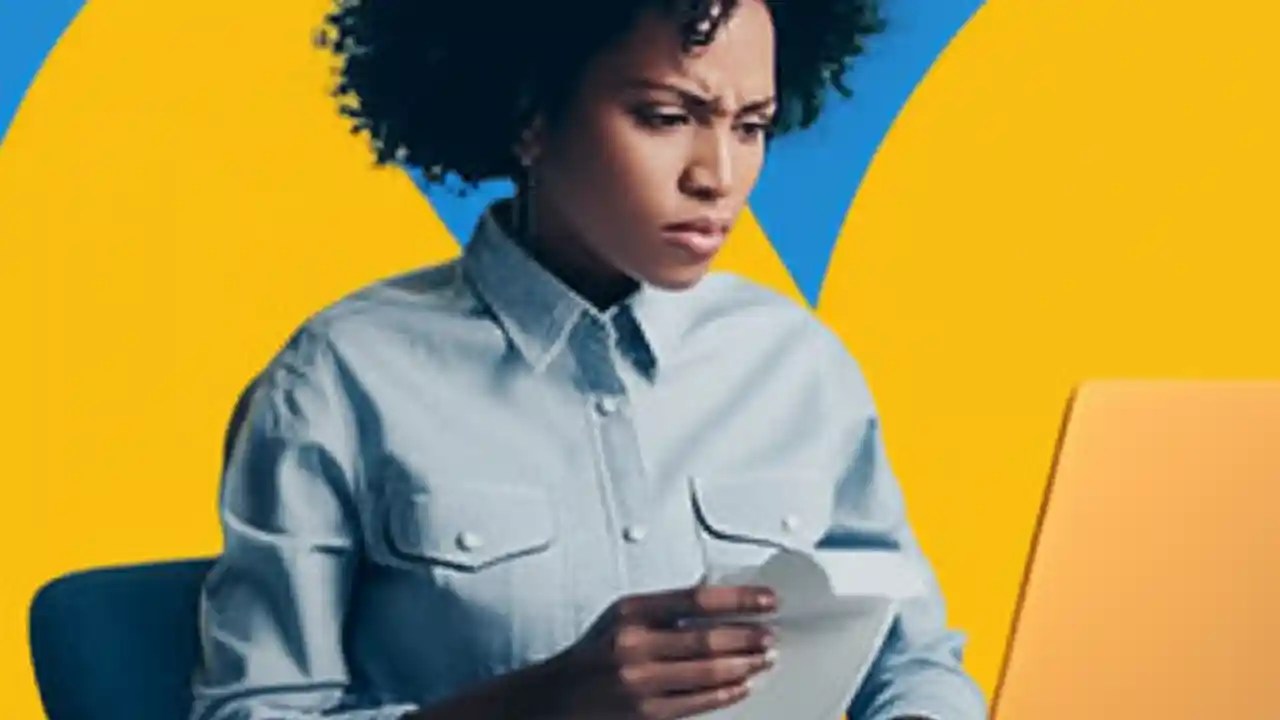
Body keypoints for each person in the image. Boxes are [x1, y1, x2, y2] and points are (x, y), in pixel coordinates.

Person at [189, 0, 987, 718]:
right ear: (530, 114)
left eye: (751, 126)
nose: (718, 176)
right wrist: (540, 705)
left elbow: (914, 660)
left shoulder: (796, 366)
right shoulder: (340, 379)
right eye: (666, 116)